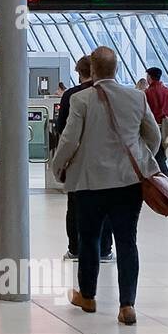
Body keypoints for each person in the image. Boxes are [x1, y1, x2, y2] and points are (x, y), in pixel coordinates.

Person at [50, 46, 161, 326]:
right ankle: (127, 305)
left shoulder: (82, 99)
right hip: (128, 183)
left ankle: (87, 296)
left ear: (94, 70)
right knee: (127, 241)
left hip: (90, 183)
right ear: (116, 68)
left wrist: (58, 166)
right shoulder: (136, 97)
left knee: (89, 238)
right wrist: (139, 157)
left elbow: (70, 139)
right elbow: (154, 136)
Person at [55, 56, 114, 263]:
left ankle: (75, 248)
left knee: (75, 206)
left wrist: (60, 162)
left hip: (78, 160)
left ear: (79, 72)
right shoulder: (114, 94)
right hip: (109, 160)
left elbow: (62, 129)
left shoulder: (72, 95)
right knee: (106, 207)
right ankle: (105, 249)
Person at [144, 66, 168, 177]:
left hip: (153, 129)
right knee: (162, 157)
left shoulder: (146, 93)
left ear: (149, 77)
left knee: (158, 158)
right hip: (167, 128)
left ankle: (166, 183)